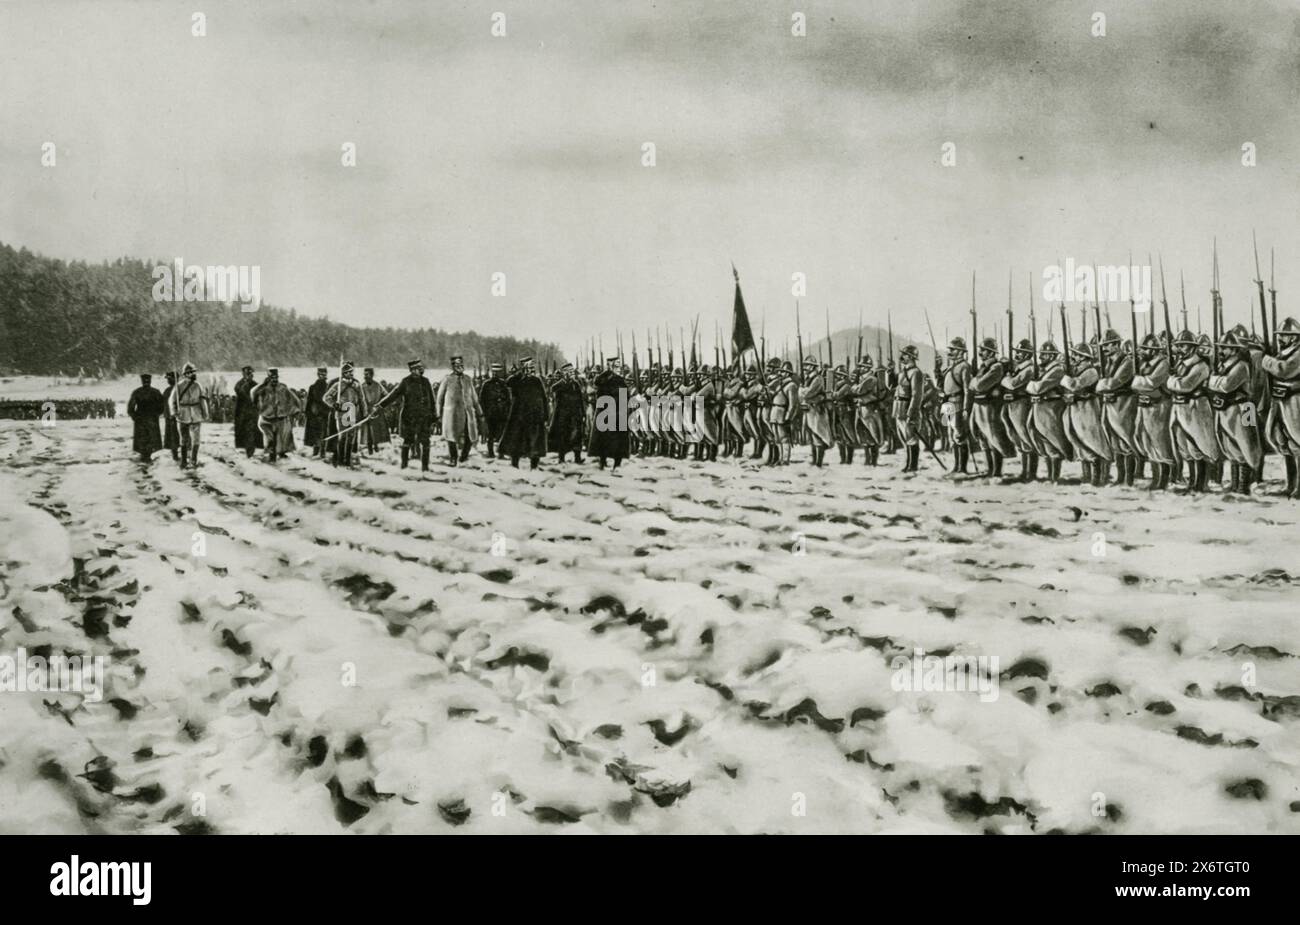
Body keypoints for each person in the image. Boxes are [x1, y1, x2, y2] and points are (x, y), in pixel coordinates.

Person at [1209, 327, 1264, 495]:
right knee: (1230, 448)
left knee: (1248, 446)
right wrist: (1216, 381)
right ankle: (1235, 485)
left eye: (1224, 347)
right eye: (1220, 347)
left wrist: (1214, 381)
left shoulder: (1241, 366)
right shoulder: (1223, 364)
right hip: (1227, 409)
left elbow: (1226, 385)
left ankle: (1245, 485)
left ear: (1233, 349)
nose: (1221, 350)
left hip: (1245, 408)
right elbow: (1215, 383)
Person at [1166, 330, 1218, 493]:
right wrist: (1175, 381)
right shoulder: (1181, 363)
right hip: (1179, 408)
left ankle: (1201, 484)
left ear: (1192, 347)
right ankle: (1192, 482)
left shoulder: (1200, 365)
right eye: (1179, 346)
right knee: (1184, 448)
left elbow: (1185, 385)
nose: (1180, 349)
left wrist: (1172, 381)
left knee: (1197, 448)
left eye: (1183, 346)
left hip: (1195, 408)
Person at [1131, 334, 1176, 490]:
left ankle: (1162, 480)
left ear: (1154, 350)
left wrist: (1136, 382)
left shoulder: (1162, 364)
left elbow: (1150, 383)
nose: (1142, 352)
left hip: (1159, 407)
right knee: (1145, 440)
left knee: (1159, 443)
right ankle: (1156, 478)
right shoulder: (1145, 364)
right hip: (1144, 407)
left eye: (1145, 349)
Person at [1095, 330, 1140, 486]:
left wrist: (1101, 385)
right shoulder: (1109, 362)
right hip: (1110, 406)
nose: (1104, 348)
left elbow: (1113, 383)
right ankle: (1120, 478)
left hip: (1124, 405)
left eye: (1108, 345)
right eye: (1103, 345)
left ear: (1116, 344)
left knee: (1126, 443)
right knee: (1115, 444)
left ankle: (1129, 480)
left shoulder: (1127, 362)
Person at [1262, 318, 1300, 497]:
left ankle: (1299, 487)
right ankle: (1290, 484)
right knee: (1282, 441)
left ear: (1294, 338)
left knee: (1297, 443)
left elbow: (1284, 370)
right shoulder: (1282, 352)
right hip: (1279, 401)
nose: (1281, 338)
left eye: (1285, 335)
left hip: (1295, 402)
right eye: (1281, 335)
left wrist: (1267, 361)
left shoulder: (1298, 353)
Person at [377, 359, 437, 471]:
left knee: (425, 442)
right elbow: (393, 395)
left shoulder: (426, 381)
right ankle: (404, 466)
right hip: (409, 417)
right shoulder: (406, 382)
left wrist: (434, 416)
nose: (421, 370)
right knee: (408, 441)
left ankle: (425, 467)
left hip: (424, 417)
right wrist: (381, 405)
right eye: (418, 368)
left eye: (421, 368)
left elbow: (432, 400)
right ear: (412, 370)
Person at [968, 338, 1014, 478]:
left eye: (983, 350)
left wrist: (974, 382)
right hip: (978, 405)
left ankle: (997, 471)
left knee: (993, 437)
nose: (980, 353)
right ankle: (990, 469)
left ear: (990, 352)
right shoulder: (983, 367)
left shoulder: (996, 367)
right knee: (982, 438)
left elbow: (979, 386)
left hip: (990, 406)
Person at [1026, 342, 1070, 482]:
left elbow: (1038, 388)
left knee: (1053, 443)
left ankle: (1054, 478)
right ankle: (1051, 477)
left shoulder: (1057, 370)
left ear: (1052, 356)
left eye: (1044, 354)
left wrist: (1032, 384)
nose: (1040, 356)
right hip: (1040, 407)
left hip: (1051, 408)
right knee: (1045, 444)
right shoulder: (1043, 369)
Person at [999, 339, 1038, 481]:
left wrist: (1006, 376)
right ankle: (1024, 472)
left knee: (1025, 437)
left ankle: (1030, 473)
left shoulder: (1029, 369)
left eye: (1020, 352)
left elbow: (1013, 384)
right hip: (1012, 403)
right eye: (1017, 352)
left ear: (1027, 355)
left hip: (1022, 403)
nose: (1017, 354)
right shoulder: (1018, 367)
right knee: (1017, 438)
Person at [500, 356, 549, 469]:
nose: (530, 370)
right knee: (516, 441)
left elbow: (543, 397)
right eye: (527, 367)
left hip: (535, 416)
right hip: (519, 416)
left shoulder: (537, 381)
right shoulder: (516, 380)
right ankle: (514, 463)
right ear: (522, 368)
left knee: (535, 442)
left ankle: (534, 466)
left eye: (531, 367)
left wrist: (545, 415)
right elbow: (508, 383)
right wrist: (519, 374)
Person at [436, 355, 485, 466]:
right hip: (452, 414)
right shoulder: (447, 379)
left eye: (461, 365)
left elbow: (474, 398)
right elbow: (439, 399)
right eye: (457, 365)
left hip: (467, 413)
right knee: (451, 437)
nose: (460, 367)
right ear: (453, 366)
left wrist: (480, 413)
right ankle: (453, 458)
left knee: (470, 436)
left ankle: (464, 457)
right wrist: (438, 413)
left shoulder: (467, 379)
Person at [589, 356, 631, 469]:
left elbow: (626, 395)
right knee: (603, 438)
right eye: (615, 366)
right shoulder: (604, 378)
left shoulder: (620, 380)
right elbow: (597, 382)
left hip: (618, 412)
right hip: (606, 413)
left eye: (619, 366)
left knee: (619, 440)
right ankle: (602, 462)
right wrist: (607, 372)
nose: (618, 368)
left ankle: (617, 464)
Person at [324, 361, 367, 467]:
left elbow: (362, 400)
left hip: (353, 413)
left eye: (352, 372)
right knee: (342, 437)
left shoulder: (357, 385)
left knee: (351, 437)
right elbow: (326, 398)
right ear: (343, 374)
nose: (351, 374)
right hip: (342, 413)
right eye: (348, 372)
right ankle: (340, 460)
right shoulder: (338, 385)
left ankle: (347, 460)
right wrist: (334, 405)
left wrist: (365, 413)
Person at [252, 368, 301, 461]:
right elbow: (252, 393)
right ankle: (272, 456)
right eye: (272, 377)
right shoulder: (263, 388)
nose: (274, 379)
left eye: (276, 377)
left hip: (280, 418)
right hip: (266, 418)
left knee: (282, 438)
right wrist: (262, 384)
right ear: (268, 378)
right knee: (270, 439)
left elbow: (293, 398)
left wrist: (296, 410)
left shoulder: (283, 387)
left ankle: (280, 453)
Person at [168, 363, 209, 469]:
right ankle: (184, 461)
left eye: (193, 372)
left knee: (196, 438)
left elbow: (202, 400)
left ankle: (194, 459)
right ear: (185, 374)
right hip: (183, 414)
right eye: (190, 373)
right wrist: (174, 412)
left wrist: (205, 413)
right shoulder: (179, 386)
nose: (192, 374)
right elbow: (172, 400)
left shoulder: (198, 385)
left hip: (196, 414)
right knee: (184, 439)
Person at [893, 346, 925, 472]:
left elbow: (917, 395)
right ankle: (908, 464)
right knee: (904, 438)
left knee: (911, 438)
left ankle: (913, 465)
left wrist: (911, 412)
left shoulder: (916, 373)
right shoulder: (902, 372)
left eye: (905, 355)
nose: (902, 357)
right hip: (899, 409)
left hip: (908, 409)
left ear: (911, 357)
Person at [548, 362, 587, 464]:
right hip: (563, 416)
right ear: (564, 373)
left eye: (572, 371)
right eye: (569, 371)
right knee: (563, 436)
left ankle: (577, 458)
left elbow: (580, 400)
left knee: (577, 436)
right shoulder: (558, 385)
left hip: (575, 415)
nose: (572, 373)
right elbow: (553, 392)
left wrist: (583, 414)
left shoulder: (576, 384)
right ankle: (561, 458)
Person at [126, 373, 164, 462]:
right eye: (146, 381)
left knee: (143, 440)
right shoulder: (155, 392)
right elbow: (162, 406)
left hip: (143, 419)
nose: (146, 383)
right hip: (149, 419)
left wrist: (135, 417)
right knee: (149, 439)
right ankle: (147, 456)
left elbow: (130, 408)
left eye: (147, 381)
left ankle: (145, 457)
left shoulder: (137, 392)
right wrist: (157, 414)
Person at [479, 363, 512, 459]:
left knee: (501, 434)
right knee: (490, 434)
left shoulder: (503, 384)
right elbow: (482, 399)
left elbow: (508, 399)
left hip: (501, 413)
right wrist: (483, 412)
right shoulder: (486, 384)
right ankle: (490, 452)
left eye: (497, 372)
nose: (495, 374)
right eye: (493, 372)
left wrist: (506, 409)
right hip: (490, 413)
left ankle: (501, 453)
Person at [232, 365, 264, 458]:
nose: (249, 375)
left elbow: (259, 394)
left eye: (250, 373)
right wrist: (246, 383)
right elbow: (240, 392)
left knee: (252, 431)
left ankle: (251, 451)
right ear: (243, 374)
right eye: (247, 373)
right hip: (242, 412)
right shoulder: (239, 384)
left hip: (252, 412)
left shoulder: (255, 384)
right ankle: (246, 449)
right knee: (243, 431)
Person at [359, 368, 390, 455]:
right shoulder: (362, 386)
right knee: (367, 432)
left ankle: (376, 447)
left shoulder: (378, 385)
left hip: (376, 411)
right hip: (366, 411)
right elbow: (359, 399)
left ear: (371, 375)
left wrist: (380, 405)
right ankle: (369, 449)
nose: (365, 376)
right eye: (364, 374)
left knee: (376, 431)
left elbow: (387, 395)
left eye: (367, 374)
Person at [304, 367, 331, 456]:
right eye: (320, 374)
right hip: (314, 413)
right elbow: (309, 401)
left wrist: (328, 410)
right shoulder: (312, 387)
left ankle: (323, 451)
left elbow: (330, 401)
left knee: (323, 433)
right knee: (314, 433)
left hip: (324, 413)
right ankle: (316, 450)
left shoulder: (329, 388)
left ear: (326, 375)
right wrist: (307, 412)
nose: (322, 376)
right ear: (317, 375)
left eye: (323, 374)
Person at [161, 370, 180, 462]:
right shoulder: (169, 390)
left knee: (174, 435)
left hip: (174, 417)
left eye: (169, 378)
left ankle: (176, 453)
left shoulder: (175, 390)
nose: (168, 380)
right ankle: (175, 452)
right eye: (167, 379)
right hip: (170, 416)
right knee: (174, 435)